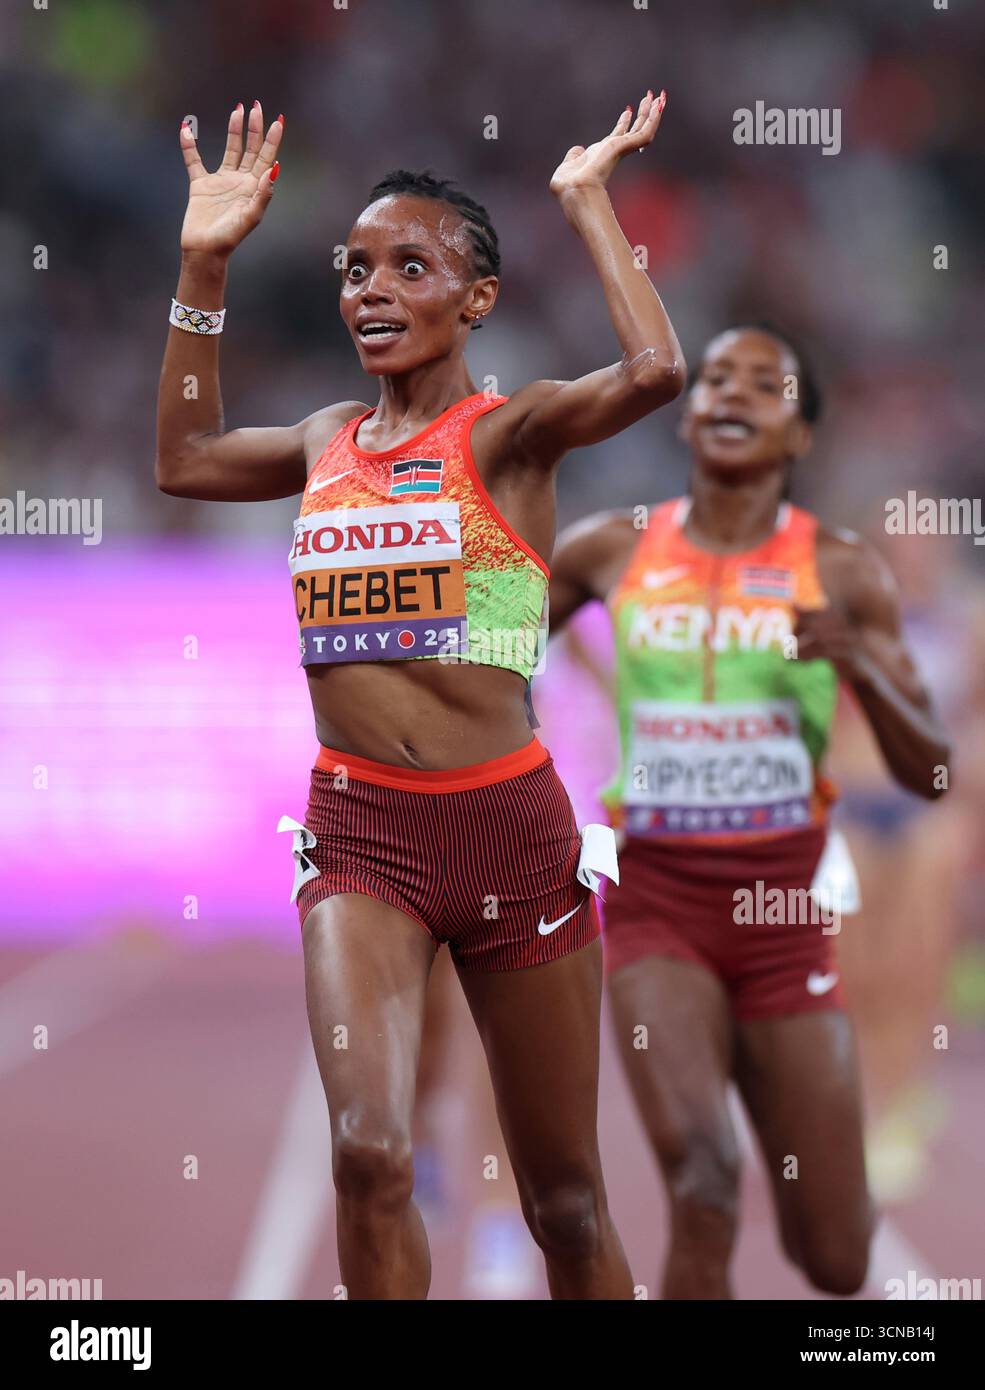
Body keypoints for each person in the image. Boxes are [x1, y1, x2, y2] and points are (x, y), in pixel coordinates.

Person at [155, 92, 685, 1299]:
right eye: (354, 270)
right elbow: (182, 460)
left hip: (511, 829)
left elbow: (657, 370)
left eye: (409, 265)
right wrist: (201, 264)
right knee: (368, 1151)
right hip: (361, 835)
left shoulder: (511, 439)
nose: (371, 289)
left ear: (476, 299)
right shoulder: (321, 442)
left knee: (564, 1201)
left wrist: (586, 200)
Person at [548, 324, 950, 1299]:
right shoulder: (611, 546)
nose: (730, 394)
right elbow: (494, 651)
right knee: (704, 1176)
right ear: (686, 413)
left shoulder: (844, 570)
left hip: (783, 922)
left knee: (837, 1255)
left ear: (798, 433)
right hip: (658, 910)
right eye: (714, 378)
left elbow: (930, 770)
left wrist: (855, 662)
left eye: (762, 384)